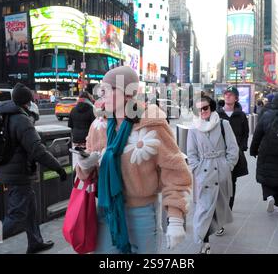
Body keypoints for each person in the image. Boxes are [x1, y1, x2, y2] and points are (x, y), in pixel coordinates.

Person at [75, 66, 192, 254]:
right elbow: (86, 174)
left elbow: (176, 172)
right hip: (107, 212)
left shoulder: (152, 125)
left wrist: (176, 218)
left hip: (143, 214)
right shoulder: (99, 125)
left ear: (128, 94)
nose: (101, 94)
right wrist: (85, 165)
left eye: (108, 89)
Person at [0, 83, 68, 254]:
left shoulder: (1, 115)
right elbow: (38, 150)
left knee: (30, 209)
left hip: (8, 171)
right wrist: (58, 168)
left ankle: (35, 242)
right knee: (15, 218)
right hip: (19, 175)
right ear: (27, 102)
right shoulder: (21, 119)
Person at [187, 93, 239, 254]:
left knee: (219, 206)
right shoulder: (194, 128)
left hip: (221, 170)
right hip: (204, 173)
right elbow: (191, 153)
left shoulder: (223, 124)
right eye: (199, 109)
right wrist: (196, 169)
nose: (202, 111)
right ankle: (204, 242)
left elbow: (233, 148)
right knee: (204, 208)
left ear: (211, 107)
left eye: (205, 108)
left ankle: (217, 227)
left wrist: (227, 166)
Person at [217, 86, 249, 210]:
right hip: (219, 153)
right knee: (219, 181)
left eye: (230, 95)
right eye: (226, 94)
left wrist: (241, 147)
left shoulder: (240, 115)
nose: (227, 96)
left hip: (235, 154)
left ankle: (228, 208)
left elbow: (246, 132)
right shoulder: (217, 114)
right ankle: (220, 206)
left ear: (236, 98)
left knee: (231, 181)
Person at [68, 91, 96, 164]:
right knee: (88, 160)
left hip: (76, 139)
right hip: (87, 139)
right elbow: (94, 126)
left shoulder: (73, 110)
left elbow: (70, 125)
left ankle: (78, 170)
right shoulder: (92, 110)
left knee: (78, 159)